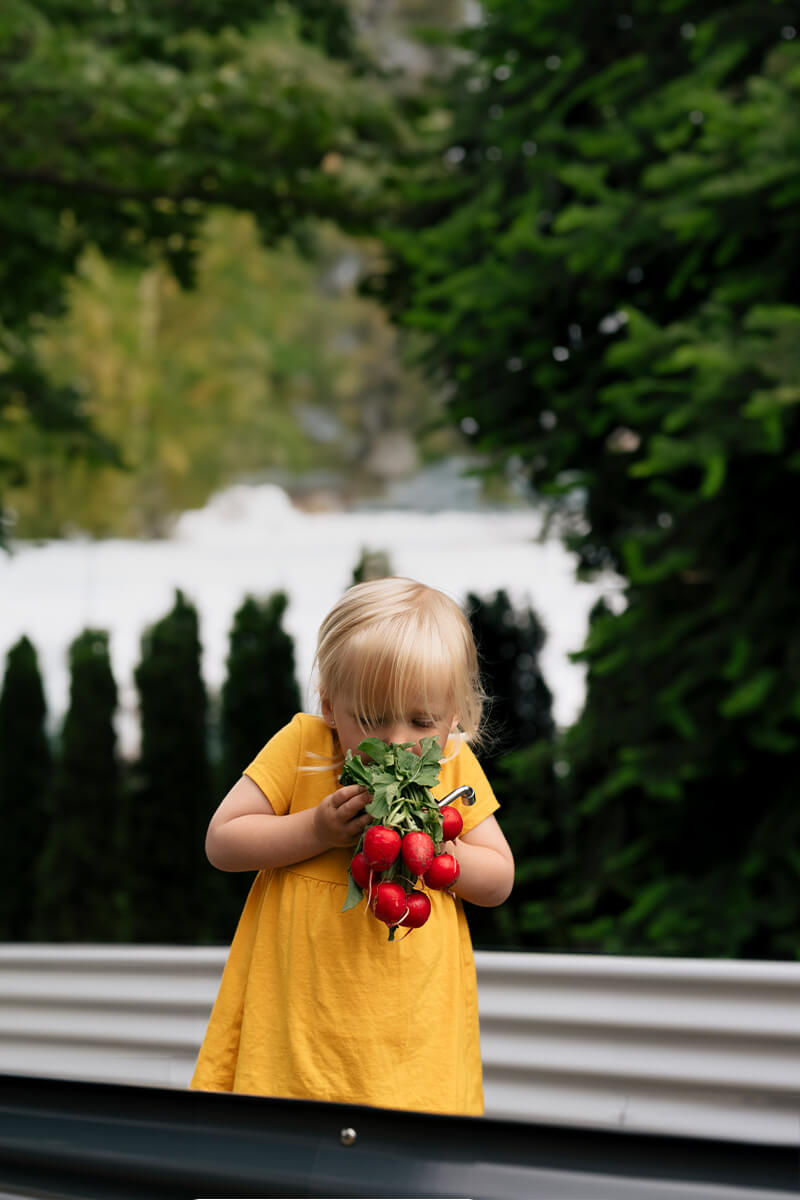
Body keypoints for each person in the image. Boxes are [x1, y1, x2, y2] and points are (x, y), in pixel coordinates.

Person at [190, 577, 514, 1115]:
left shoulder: (451, 765)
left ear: (454, 716)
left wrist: (435, 852)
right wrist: (313, 830)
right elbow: (222, 842)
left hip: (409, 1037)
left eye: (422, 721)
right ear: (330, 705)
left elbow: (499, 880)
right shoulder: (304, 746)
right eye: (370, 718)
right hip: (295, 1029)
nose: (396, 741)